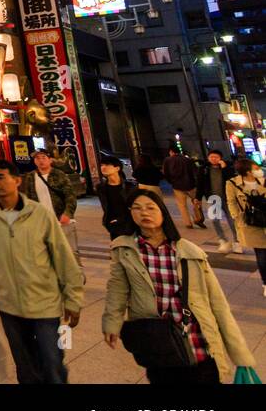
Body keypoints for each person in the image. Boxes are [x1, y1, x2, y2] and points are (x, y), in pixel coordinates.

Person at [103, 189, 256, 384]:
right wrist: (111, 322)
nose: (144, 213)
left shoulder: (189, 251)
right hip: (158, 342)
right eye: (137, 208)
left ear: (162, 212)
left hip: (196, 340)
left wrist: (240, 354)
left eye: (151, 208)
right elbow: (117, 289)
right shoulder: (125, 249)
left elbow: (218, 304)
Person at [0, 159, 83, 384]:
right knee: (25, 367)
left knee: (52, 363)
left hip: (45, 303)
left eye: (1, 177)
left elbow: (63, 258)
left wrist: (73, 298)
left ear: (17, 181)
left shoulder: (39, 214)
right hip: (8, 304)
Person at [20, 150, 80, 259]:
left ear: (50, 160)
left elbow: (70, 196)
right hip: (41, 221)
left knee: (69, 252)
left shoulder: (59, 174)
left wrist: (67, 213)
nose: (41, 161)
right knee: (47, 253)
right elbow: (28, 199)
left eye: (43, 157)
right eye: (37, 158)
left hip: (61, 219)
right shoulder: (30, 177)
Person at [226, 158, 266, 296]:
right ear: (248, 170)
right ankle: (265, 283)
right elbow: (231, 202)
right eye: (256, 168)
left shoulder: (263, 180)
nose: (259, 170)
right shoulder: (232, 183)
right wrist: (238, 218)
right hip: (252, 223)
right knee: (262, 254)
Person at [199, 151, 241, 254]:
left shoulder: (227, 167)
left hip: (228, 198)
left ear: (220, 158)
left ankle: (237, 242)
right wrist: (197, 198)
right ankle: (223, 240)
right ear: (208, 158)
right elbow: (200, 183)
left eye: (216, 157)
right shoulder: (204, 169)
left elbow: (232, 180)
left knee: (232, 220)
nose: (213, 159)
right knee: (215, 220)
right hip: (213, 198)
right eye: (211, 157)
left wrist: (224, 168)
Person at [162, 144, 205, 229]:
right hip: (191, 184)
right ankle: (198, 218)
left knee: (182, 205)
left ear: (171, 152)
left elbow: (166, 173)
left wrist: (171, 182)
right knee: (196, 202)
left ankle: (188, 223)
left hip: (177, 186)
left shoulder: (167, 160)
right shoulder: (188, 159)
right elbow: (195, 172)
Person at [98, 155, 137, 241]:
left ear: (117, 168)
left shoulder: (130, 187)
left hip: (131, 223)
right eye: (101, 165)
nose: (103, 167)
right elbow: (106, 207)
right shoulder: (101, 188)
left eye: (107, 165)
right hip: (114, 225)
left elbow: (135, 207)